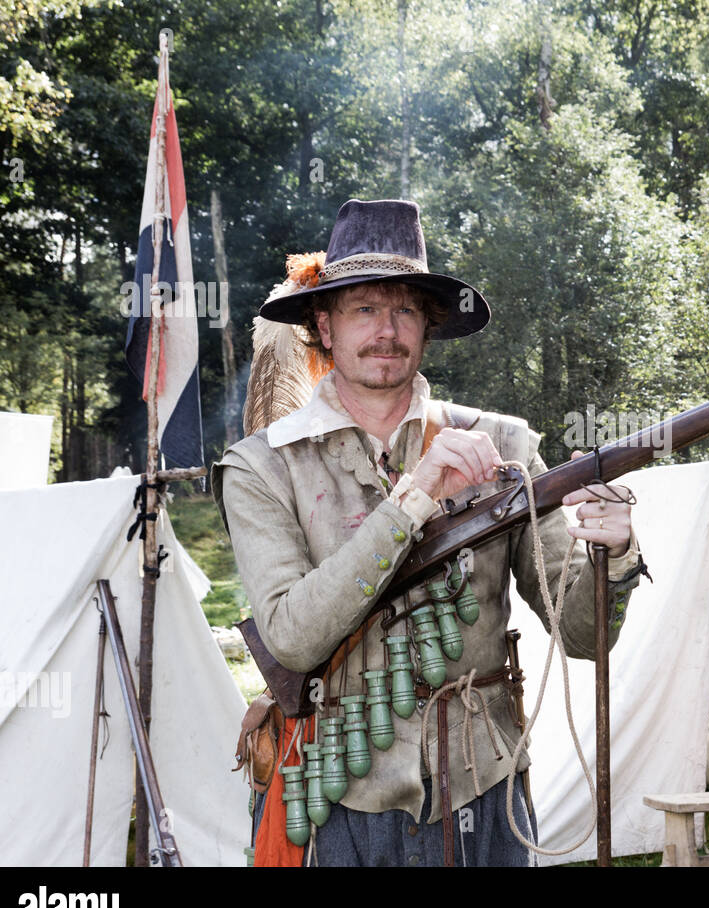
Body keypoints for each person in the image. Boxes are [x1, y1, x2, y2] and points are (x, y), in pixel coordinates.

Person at [213, 199, 646, 867]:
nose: (385, 330)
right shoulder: (263, 466)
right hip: (343, 796)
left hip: (485, 787)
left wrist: (613, 554)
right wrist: (412, 500)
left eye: (405, 309)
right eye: (363, 309)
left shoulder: (502, 445)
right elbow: (293, 640)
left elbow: (586, 635)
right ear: (324, 327)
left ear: (428, 325)